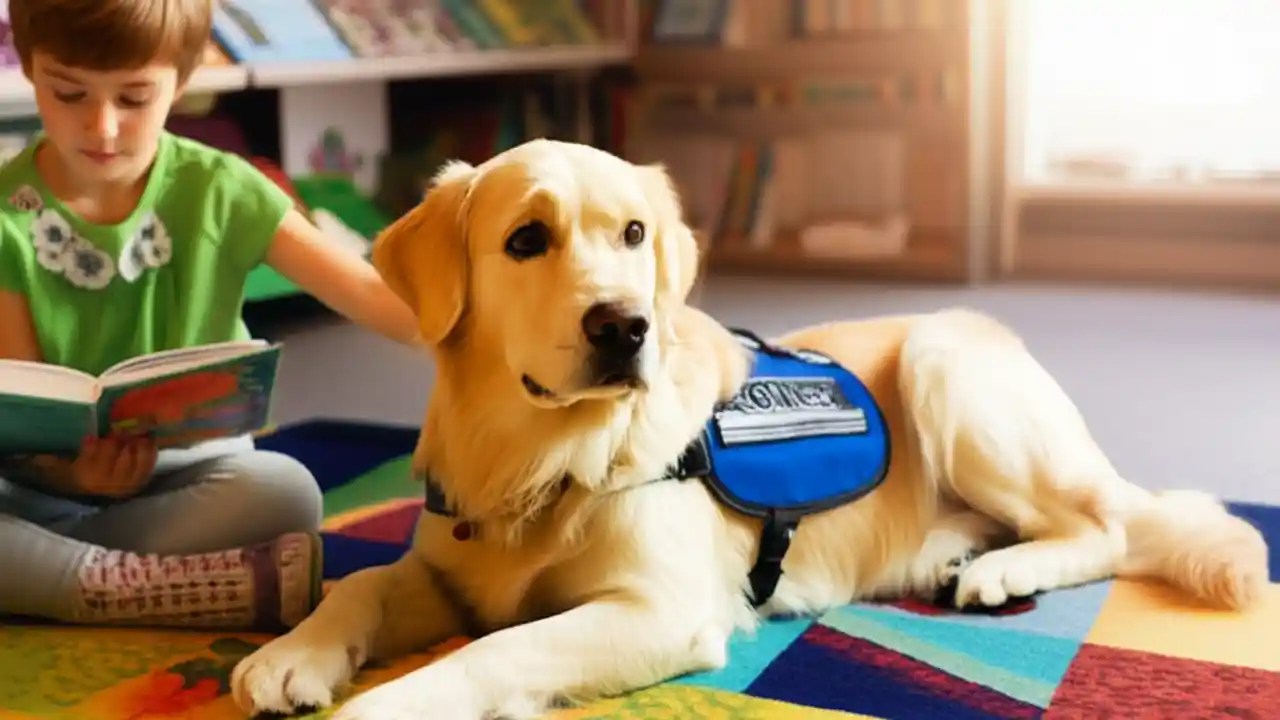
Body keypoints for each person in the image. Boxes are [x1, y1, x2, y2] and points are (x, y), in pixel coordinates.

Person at [0, 0, 420, 631]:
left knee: (286, 493)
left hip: (192, 474)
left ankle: (66, 580)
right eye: (69, 94)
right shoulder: (7, 214)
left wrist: (500, 329)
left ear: (184, 77)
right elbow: (21, 405)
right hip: (41, 491)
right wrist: (74, 473)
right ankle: (131, 584)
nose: (103, 127)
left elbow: (370, 293)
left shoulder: (222, 189)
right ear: (31, 68)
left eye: (134, 98)